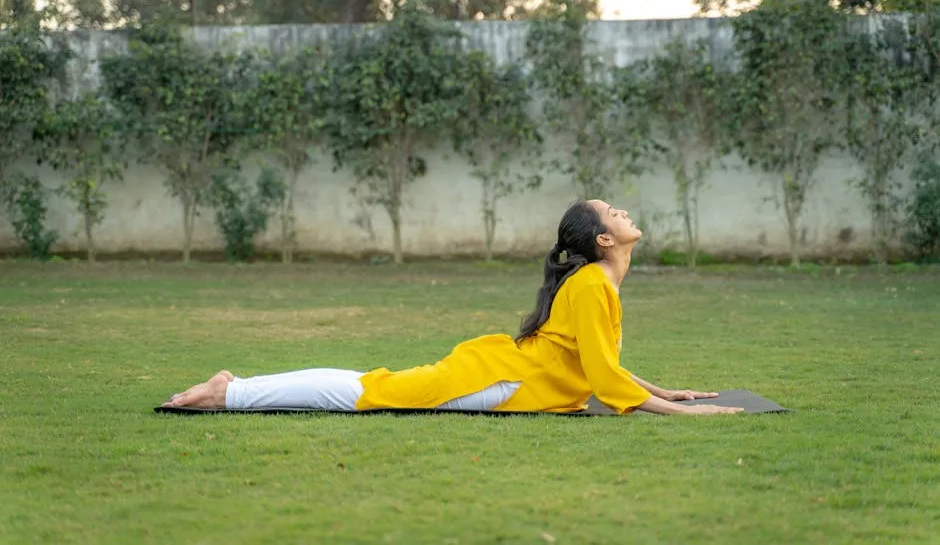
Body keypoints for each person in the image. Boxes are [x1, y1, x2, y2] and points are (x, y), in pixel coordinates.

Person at [163, 199, 743, 416]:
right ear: (603, 241)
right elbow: (598, 372)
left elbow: (593, 361)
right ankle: (231, 391)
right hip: (500, 378)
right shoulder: (594, 283)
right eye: (614, 213)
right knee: (371, 391)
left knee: (372, 385)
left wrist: (662, 391)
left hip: (510, 371)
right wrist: (684, 415)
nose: (625, 212)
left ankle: (233, 389)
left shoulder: (599, 281)